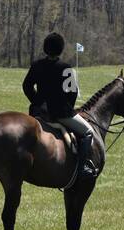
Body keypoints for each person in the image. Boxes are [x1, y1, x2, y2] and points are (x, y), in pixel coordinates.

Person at [22, 32, 98, 181]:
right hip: (60, 113)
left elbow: (26, 86)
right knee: (88, 131)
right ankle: (83, 168)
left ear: (45, 48)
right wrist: (68, 108)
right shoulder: (66, 68)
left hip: (38, 112)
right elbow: (73, 93)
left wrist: (37, 101)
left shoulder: (36, 65)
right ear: (60, 49)